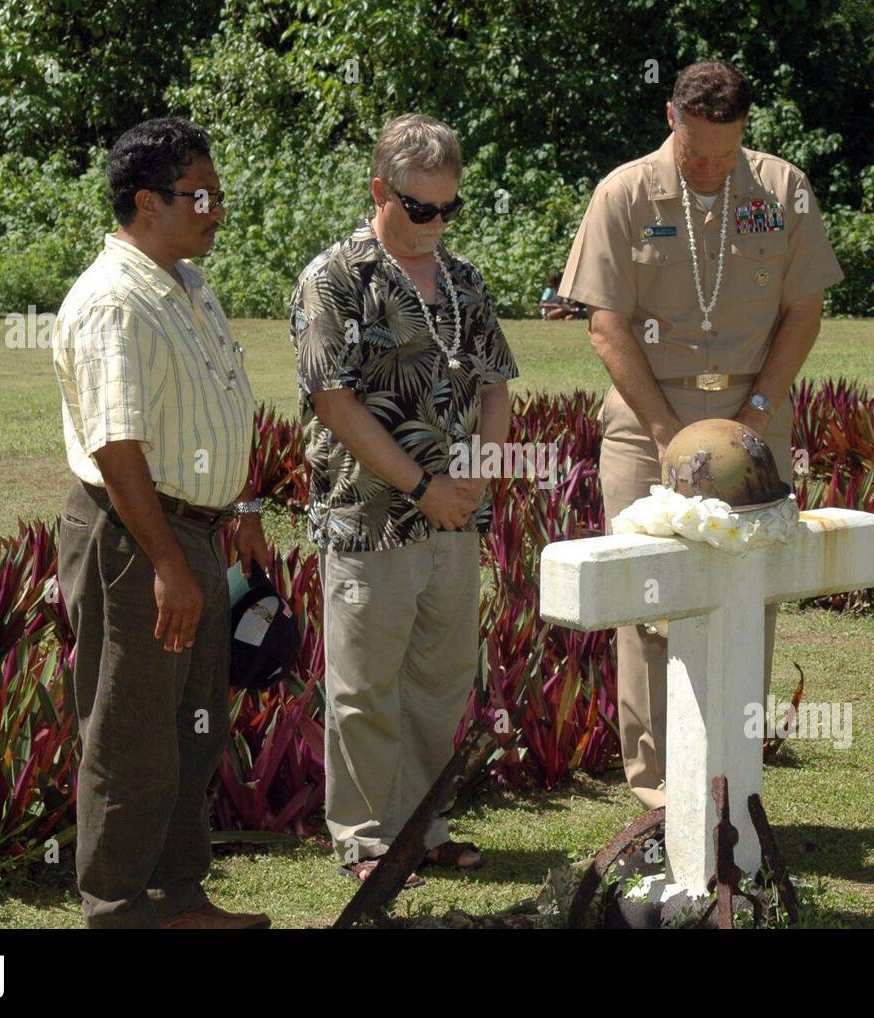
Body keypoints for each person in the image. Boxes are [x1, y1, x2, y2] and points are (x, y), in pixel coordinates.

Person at [558, 60, 843, 810]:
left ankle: (731, 781)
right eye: (698, 153)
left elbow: (804, 313)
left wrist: (754, 416)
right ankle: (659, 796)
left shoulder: (784, 190)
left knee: (751, 599)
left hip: (754, 417)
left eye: (729, 152)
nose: (714, 169)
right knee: (650, 603)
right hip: (650, 423)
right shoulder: (622, 193)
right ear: (671, 119)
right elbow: (607, 326)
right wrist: (664, 433)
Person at [52, 117, 271, 929]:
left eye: (216, 194)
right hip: (135, 536)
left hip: (191, 530)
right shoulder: (114, 301)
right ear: (147, 201)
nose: (215, 210)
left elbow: (207, 409)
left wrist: (241, 505)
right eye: (199, 196)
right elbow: (117, 445)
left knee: (192, 726)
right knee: (131, 733)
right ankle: (115, 909)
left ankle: (179, 897)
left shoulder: (183, 282)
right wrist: (168, 565)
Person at [289, 113, 519, 886]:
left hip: (455, 521)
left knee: (439, 684)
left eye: (448, 207)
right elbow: (334, 403)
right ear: (379, 191)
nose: (435, 223)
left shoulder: (463, 279)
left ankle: (426, 826)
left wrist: (478, 473)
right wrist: (425, 486)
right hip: (370, 521)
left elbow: (495, 385)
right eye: (419, 208)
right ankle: (363, 840)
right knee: (363, 691)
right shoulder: (333, 278)